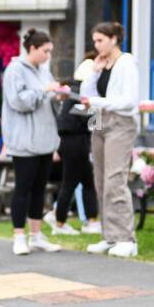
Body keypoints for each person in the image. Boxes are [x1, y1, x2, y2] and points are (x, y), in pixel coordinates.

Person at [79, 21, 142, 258]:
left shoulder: (126, 62)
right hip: (99, 121)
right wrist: (94, 72)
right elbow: (87, 94)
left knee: (116, 179)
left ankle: (126, 238)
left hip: (120, 123)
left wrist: (96, 102)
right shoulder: (101, 64)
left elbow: (129, 100)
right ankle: (110, 236)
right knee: (101, 181)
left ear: (114, 39)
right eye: (94, 41)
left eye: (100, 40)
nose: (96, 46)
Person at [2, 29, 65, 256]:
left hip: (45, 140)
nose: (48, 55)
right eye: (45, 51)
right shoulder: (15, 70)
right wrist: (43, 90)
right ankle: (19, 235)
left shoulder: (43, 71)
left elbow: (45, 98)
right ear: (32, 49)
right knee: (23, 188)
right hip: (24, 141)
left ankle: (36, 235)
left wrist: (57, 95)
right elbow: (18, 101)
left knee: (39, 189)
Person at [43, 58, 101, 236]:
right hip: (76, 142)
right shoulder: (80, 94)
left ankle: (90, 220)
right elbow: (92, 121)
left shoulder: (73, 92)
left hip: (71, 142)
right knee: (70, 183)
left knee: (86, 182)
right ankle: (59, 222)